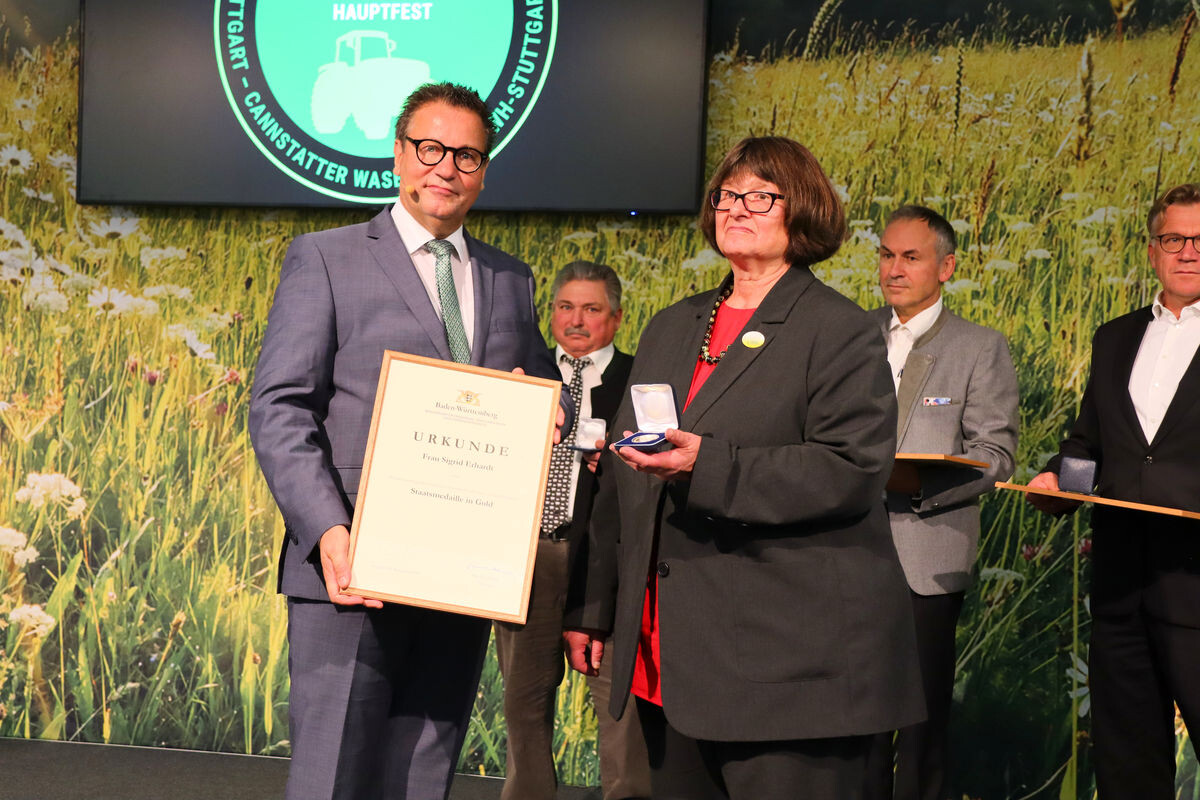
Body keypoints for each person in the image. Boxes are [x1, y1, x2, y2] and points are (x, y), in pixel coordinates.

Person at [563, 136, 924, 800]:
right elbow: (626, 467)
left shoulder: (836, 329)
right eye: (728, 195)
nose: (738, 207)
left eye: (761, 195)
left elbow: (850, 470)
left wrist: (707, 463)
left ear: (803, 211)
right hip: (666, 658)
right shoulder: (675, 325)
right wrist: (595, 605)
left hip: (788, 668)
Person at [248, 82, 565, 800]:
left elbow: (538, 387)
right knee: (334, 772)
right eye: (430, 149)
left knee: (425, 771)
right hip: (352, 568)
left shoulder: (509, 278)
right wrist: (328, 531)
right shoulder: (325, 257)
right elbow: (280, 407)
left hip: (462, 571)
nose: (445, 168)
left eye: (465, 155)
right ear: (398, 156)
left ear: (484, 171)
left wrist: (543, 412)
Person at [1026, 183, 1200, 798]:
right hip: (1121, 590)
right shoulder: (1114, 337)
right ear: (1152, 251)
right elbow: (1087, 447)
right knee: (1128, 770)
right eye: (1174, 238)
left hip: (1198, 585)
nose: (1187, 251)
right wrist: (1058, 481)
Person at [863, 206, 1019, 800]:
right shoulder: (853, 335)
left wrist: (922, 481)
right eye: (886, 254)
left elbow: (996, 453)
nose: (894, 268)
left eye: (911, 256)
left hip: (923, 555)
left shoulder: (980, 347)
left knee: (920, 723)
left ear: (946, 267)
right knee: (855, 723)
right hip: (845, 551)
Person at [493, 261, 651, 800]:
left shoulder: (642, 381)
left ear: (616, 318)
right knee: (523, 698)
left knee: (616, 698)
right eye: (565, 307)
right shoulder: (523, 377)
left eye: (591, 309)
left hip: (607, 559)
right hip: (528, 556)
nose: (576, 320)